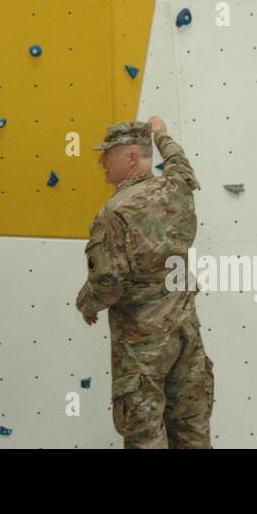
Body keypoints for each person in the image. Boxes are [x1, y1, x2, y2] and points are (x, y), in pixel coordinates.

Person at [75, 116, 215, 448]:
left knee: (146, 436)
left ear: (132, 158)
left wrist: (85, 303)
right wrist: (161, 134)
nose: (100, 161)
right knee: (193, 431)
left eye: (107, 154)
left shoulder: (115, 212)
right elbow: (181, 163)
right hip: (186, 339)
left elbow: (107, 282)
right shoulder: (178, 186)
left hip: (142, 350)